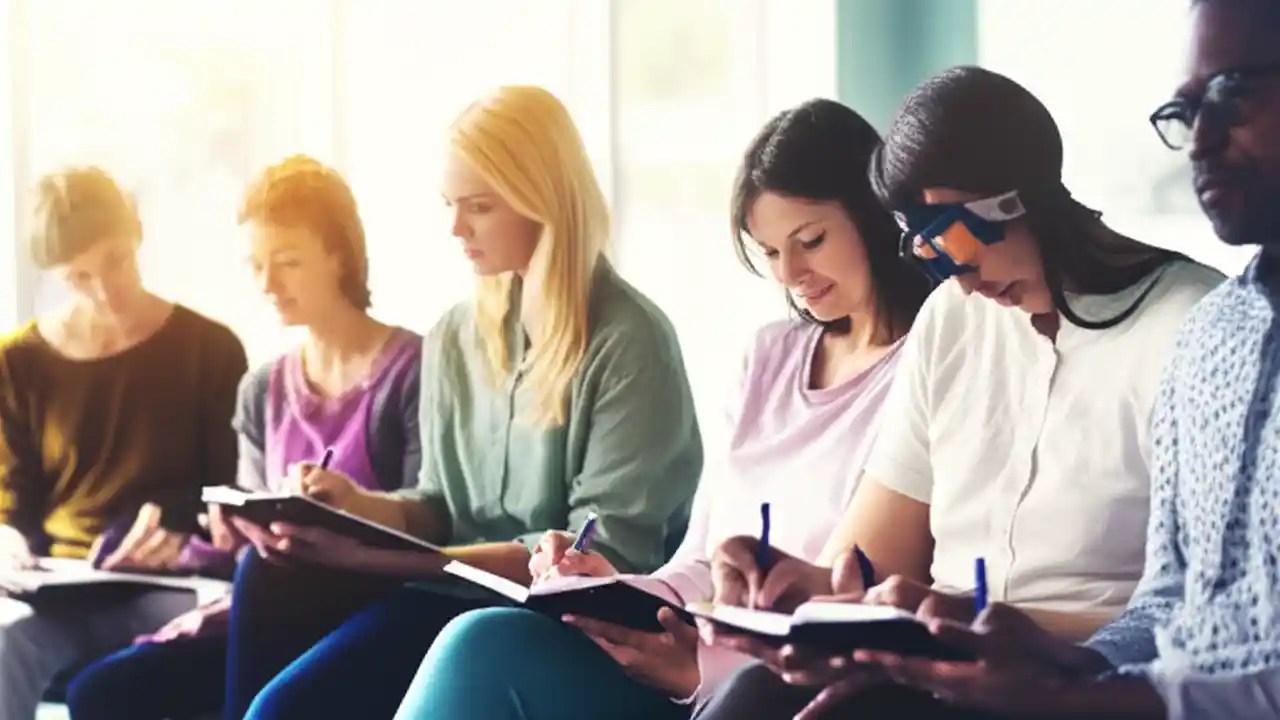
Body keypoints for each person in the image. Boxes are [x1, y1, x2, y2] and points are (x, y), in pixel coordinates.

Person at [693, 66, 1227, 719]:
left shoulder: (1192, 326)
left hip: (1081, 681)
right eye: (933, 254)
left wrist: (994, 632)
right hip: (935, 670)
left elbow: (1201, 609)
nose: (965, 283)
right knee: (754, 694)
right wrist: (777, 582)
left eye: (964, 249)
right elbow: (861, 565)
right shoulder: (952, 317)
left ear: (1018, 199)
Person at [801, 2, 1280, 718]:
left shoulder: (1180, 321)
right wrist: (1057, 672)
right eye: (1186, 110)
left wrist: (1074, 689)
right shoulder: (1222, 337)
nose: (1200, 141)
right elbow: (1173, 608)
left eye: (1233, 94)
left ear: (1018, 199)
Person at [388, 98, 935, 720]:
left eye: (810, 241)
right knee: (482, 638)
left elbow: (868, 607)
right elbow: (699, 560)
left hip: (776, 687)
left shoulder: (927, 365)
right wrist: (608, 587)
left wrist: (703, 672)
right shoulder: (771, 356)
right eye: (770, 252)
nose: (793, 275)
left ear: (871, 214)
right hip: (689, 659)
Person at [221, 85, 703, 720]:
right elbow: (440, 505)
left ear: (544, 200)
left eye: (478, 206)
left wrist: (395, 559)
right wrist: (353, 506)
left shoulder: (630, 340)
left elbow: (606, 553)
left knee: (285, 710)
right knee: (270, 571)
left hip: (554, 620)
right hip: (448, 591)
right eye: (450, 204)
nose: (454, 228)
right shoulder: (456, 334)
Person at [61, 156, 424, 720]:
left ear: (340, 255)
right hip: (268, 602)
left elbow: (431, 517)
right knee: (99, 693)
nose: (266, 284)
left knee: (265, 585)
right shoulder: (263, 387)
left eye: (287, 263)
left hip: (370, 601)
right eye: (255, 264)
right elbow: (247, 526)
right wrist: (200, 541)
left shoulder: (412, 371)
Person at [0, 167, 247, 719]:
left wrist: (179, 529)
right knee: (3, 645)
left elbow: (228, 491)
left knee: (205, 642)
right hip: (58, 587)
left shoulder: (209, 348)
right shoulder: (16, 363)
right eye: (79, 276)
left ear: (136, 229)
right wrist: (9, 545)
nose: (104, 289)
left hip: (172, 583)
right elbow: (15, 501)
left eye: (114, 261)